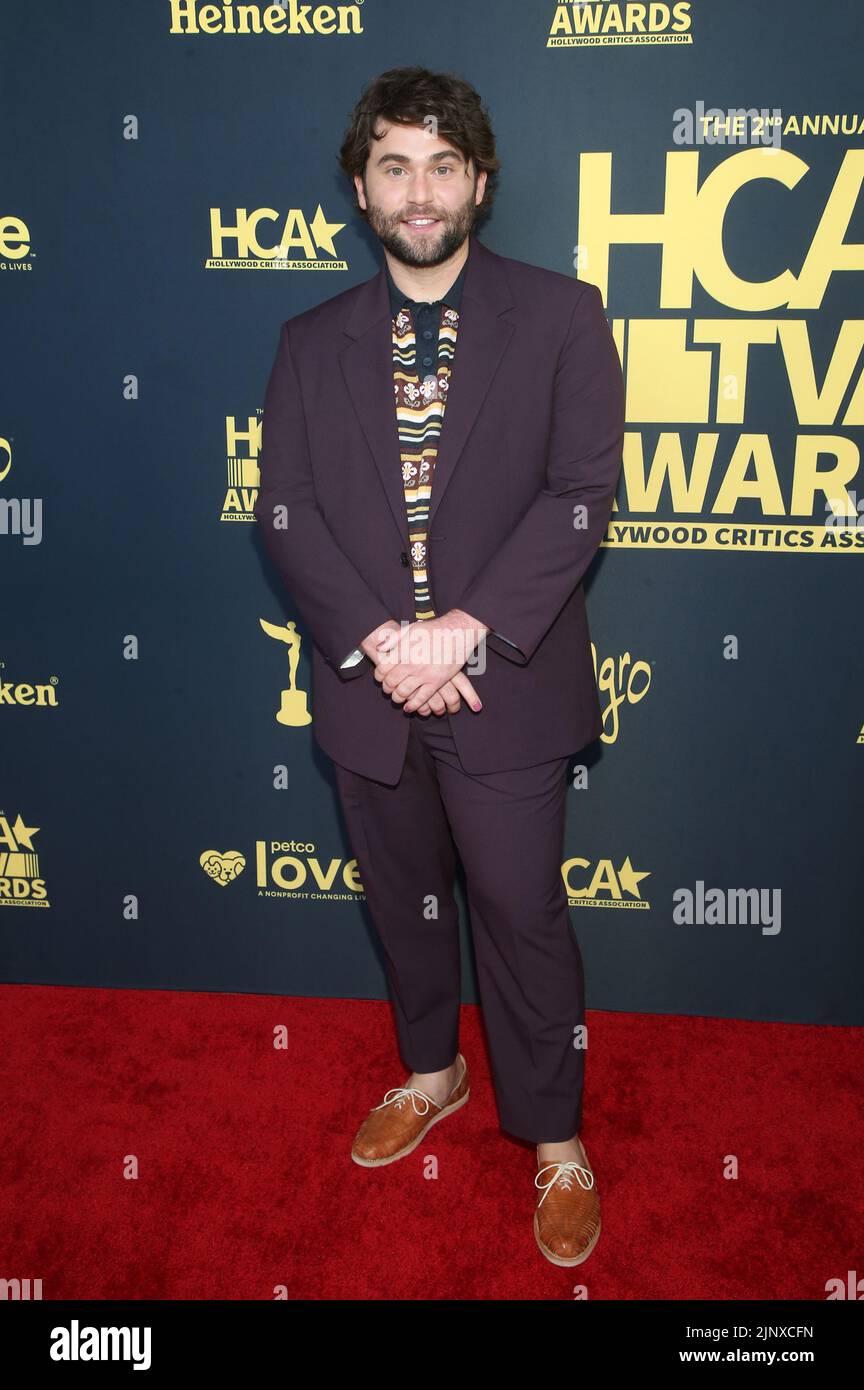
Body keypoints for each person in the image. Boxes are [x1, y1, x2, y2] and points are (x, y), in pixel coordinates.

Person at [253, 66, 625, 1267]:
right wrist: (380, 642)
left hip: (504, 680)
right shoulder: (310, 343)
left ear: (481, 181)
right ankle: (433, 1070)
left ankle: (557, 1139)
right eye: (396, 166)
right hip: (372, 691)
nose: (421, 191)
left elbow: (581, 498)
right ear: (362, 191)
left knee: (522, 914)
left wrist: (460, 631)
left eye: (444, 165)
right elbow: (287, 513)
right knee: (403, 904)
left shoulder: (563, 316)